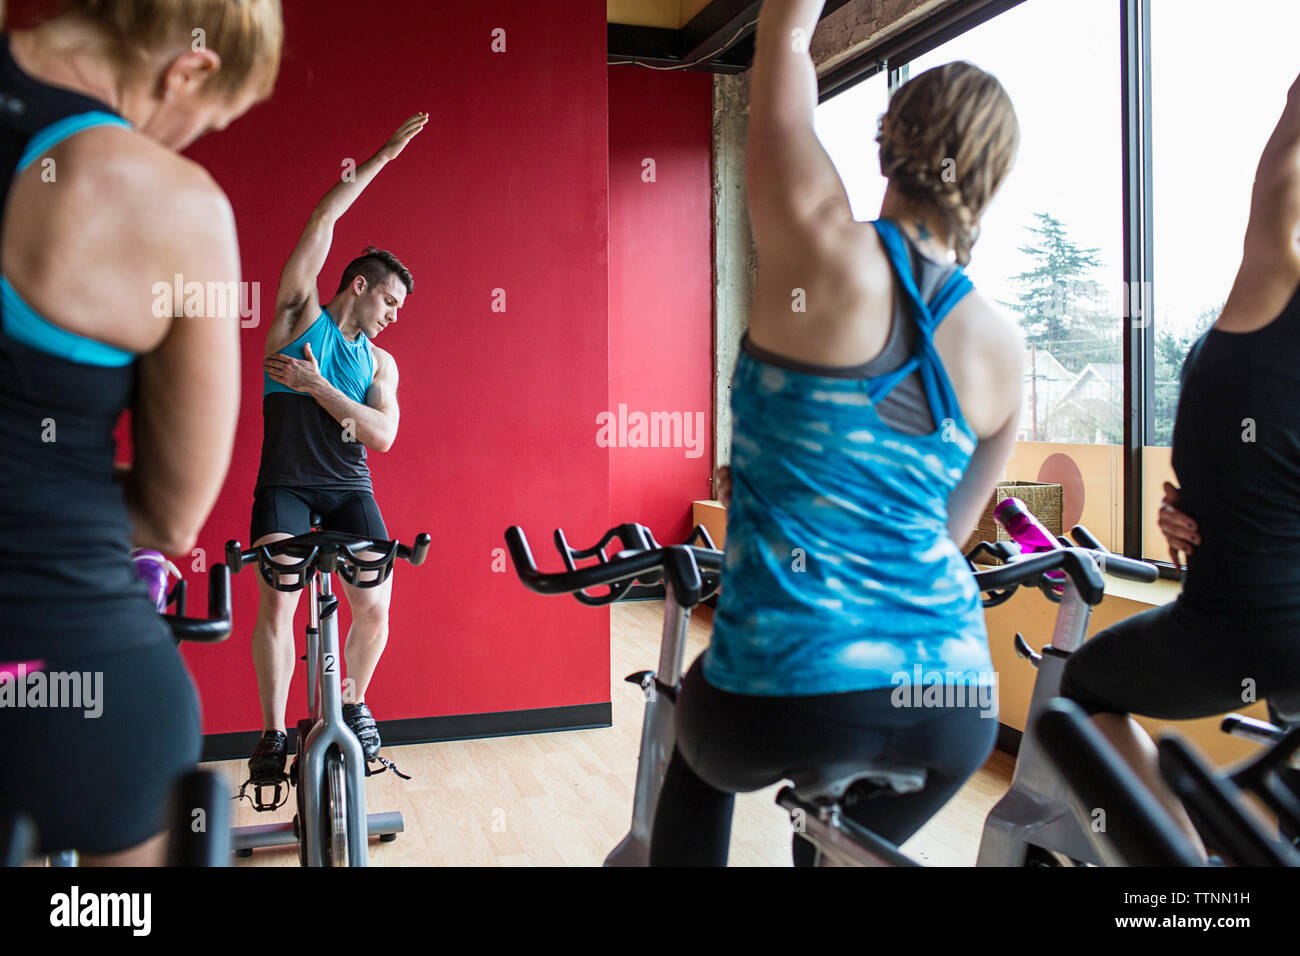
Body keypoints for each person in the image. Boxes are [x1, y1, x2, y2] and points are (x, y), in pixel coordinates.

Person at [648, 0, 1024, 866]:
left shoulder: (819, 243)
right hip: (951, 702)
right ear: (991, 179)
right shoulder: (1003, 352)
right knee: (832, 847)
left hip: (784, 683)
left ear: (889, 142)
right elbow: (940, 534)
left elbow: (785, 38)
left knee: (697, 750)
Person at [0, 0, 282, 865]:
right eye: (207, 122)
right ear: (186, 70)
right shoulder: (174, 204)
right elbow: (169, 517)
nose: (188, 144)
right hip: (61, 678)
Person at [1060, 71, 1300, 850]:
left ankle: (1180, 870)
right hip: (1272, 622)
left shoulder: (1278, 286)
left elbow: (1278, 174)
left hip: (1238, 625)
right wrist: (1201, 504)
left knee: (1080, 687)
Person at [244, 115, 426, 793]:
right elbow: (323, 216)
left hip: (350, 490)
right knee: (279, 600)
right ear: (358, 285)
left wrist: (317, 386)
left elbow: (382, 436)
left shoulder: (380, 362)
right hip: (287, 483)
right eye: (390, 300)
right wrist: (385, 153)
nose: (394, 315)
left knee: (375, 605)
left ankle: (351, 702)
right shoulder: (298, 317)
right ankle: (271, 733)